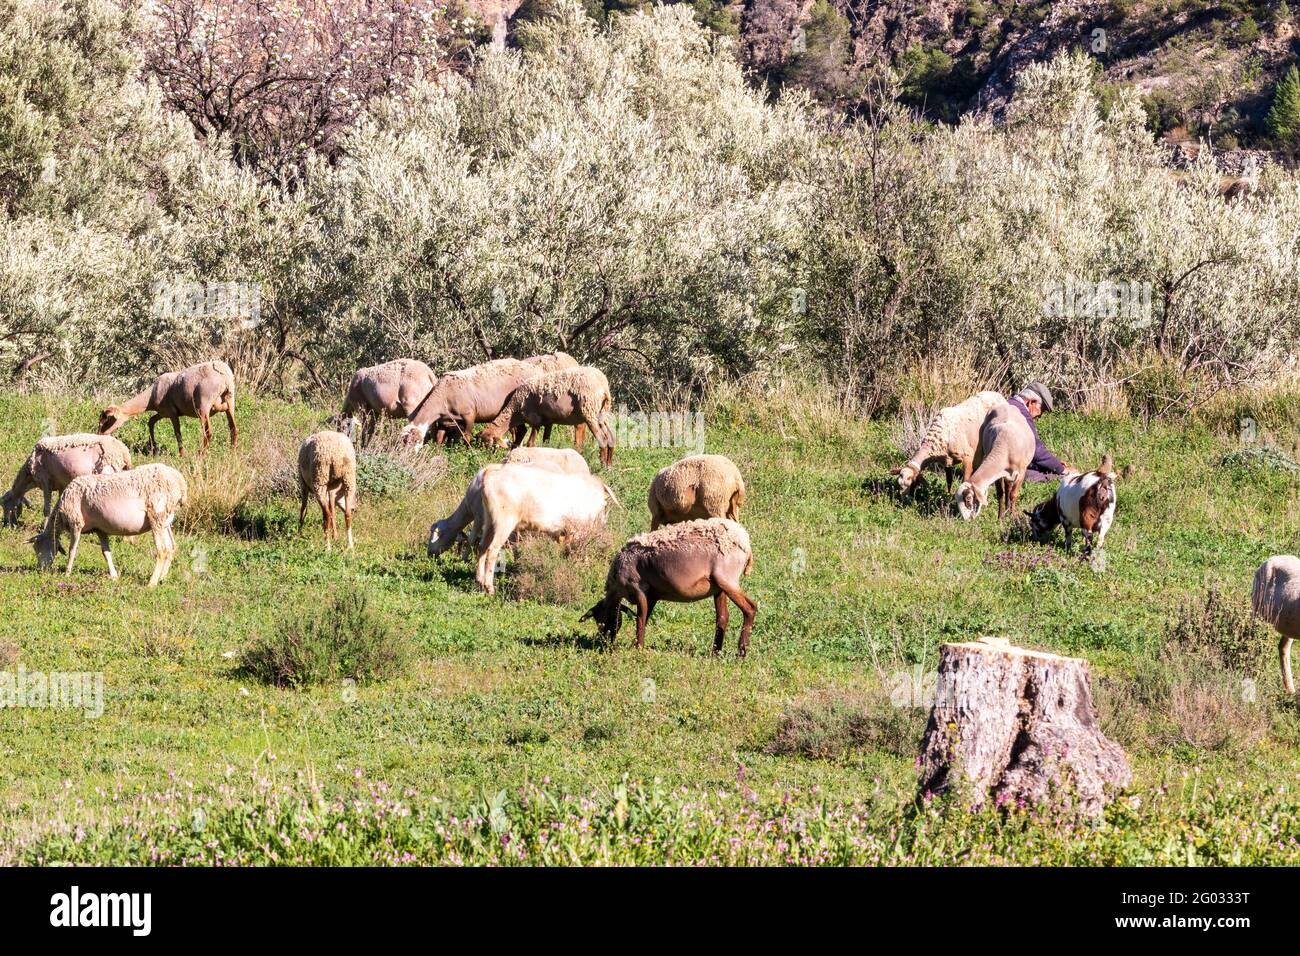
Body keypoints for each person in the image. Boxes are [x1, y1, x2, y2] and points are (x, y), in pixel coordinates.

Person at [1006, 382, 1073, 482]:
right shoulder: (1021, 413)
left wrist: (1054, 463)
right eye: (1042, 409)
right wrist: (1061, 469)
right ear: (1031, 402)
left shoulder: (1008, 403)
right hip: (1004, 468)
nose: (1040, 415)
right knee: (1054, 477)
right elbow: (1036, 450)